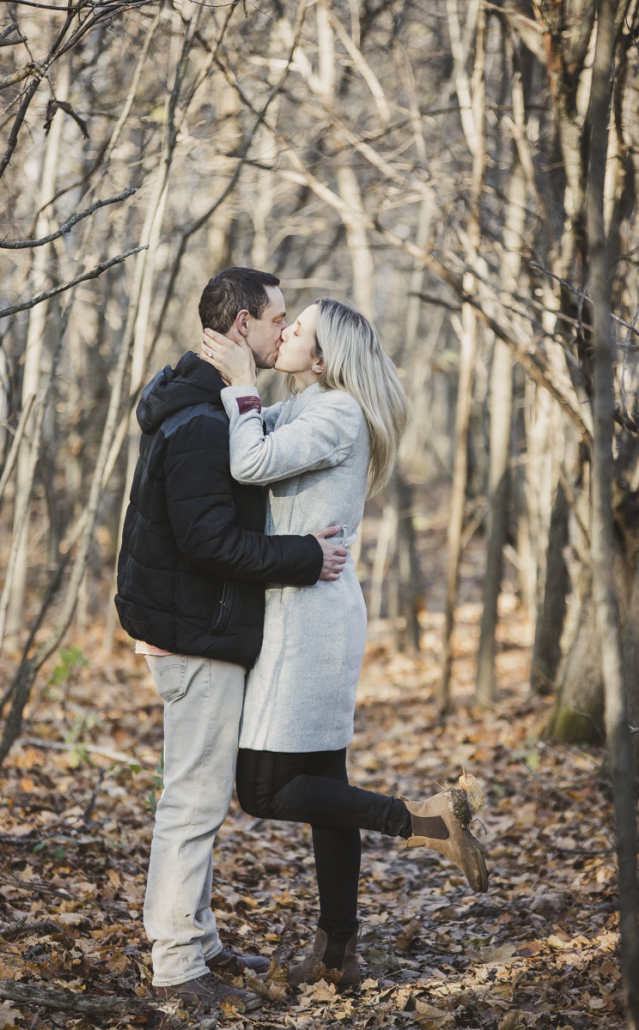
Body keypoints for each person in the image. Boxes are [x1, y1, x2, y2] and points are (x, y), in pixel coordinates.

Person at [201, 298, 488, 989]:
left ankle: (422, 823)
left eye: (296, 329)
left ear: (324, 356)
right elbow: (239, 437)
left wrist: (242, 383)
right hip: (305, 612)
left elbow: (248, 463)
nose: (284, 333)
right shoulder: (309, 404)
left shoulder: (335, 412)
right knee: (324, 788)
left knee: (265, 792)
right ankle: (337, 953)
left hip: (308, 623)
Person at [115, 268, 350, 1012]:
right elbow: (207, 540)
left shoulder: (204, 402)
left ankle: (200, 938)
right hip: (193, 633)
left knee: (202, 797)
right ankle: (177, 965)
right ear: (242, 325)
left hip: (195, 625)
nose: (284, 332)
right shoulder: (202, 422)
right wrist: (306, 558)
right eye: (277, 318)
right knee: (192, 803)